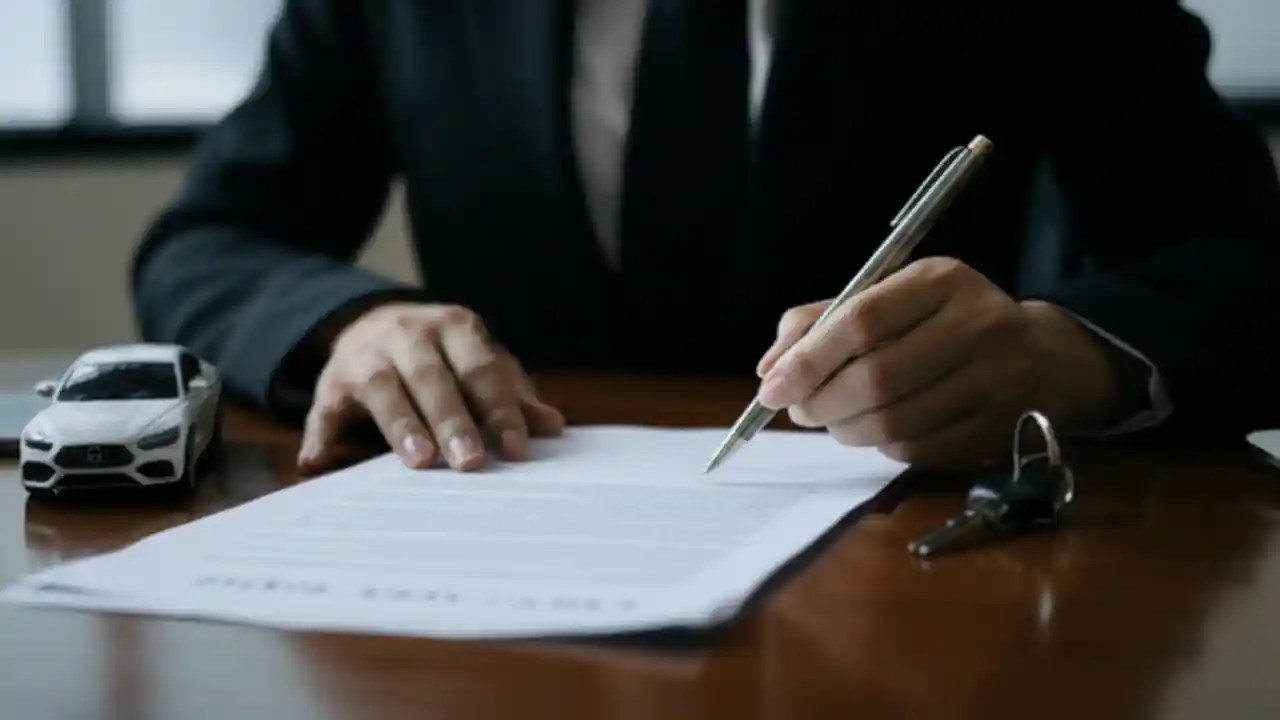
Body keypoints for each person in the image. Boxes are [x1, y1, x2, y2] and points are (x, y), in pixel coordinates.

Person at [131, 0, 1280, 474]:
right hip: (509, 581)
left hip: (932, 597)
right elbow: (205, 240)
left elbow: (1247, 263)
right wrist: (348, 324)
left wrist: (1068, 358)